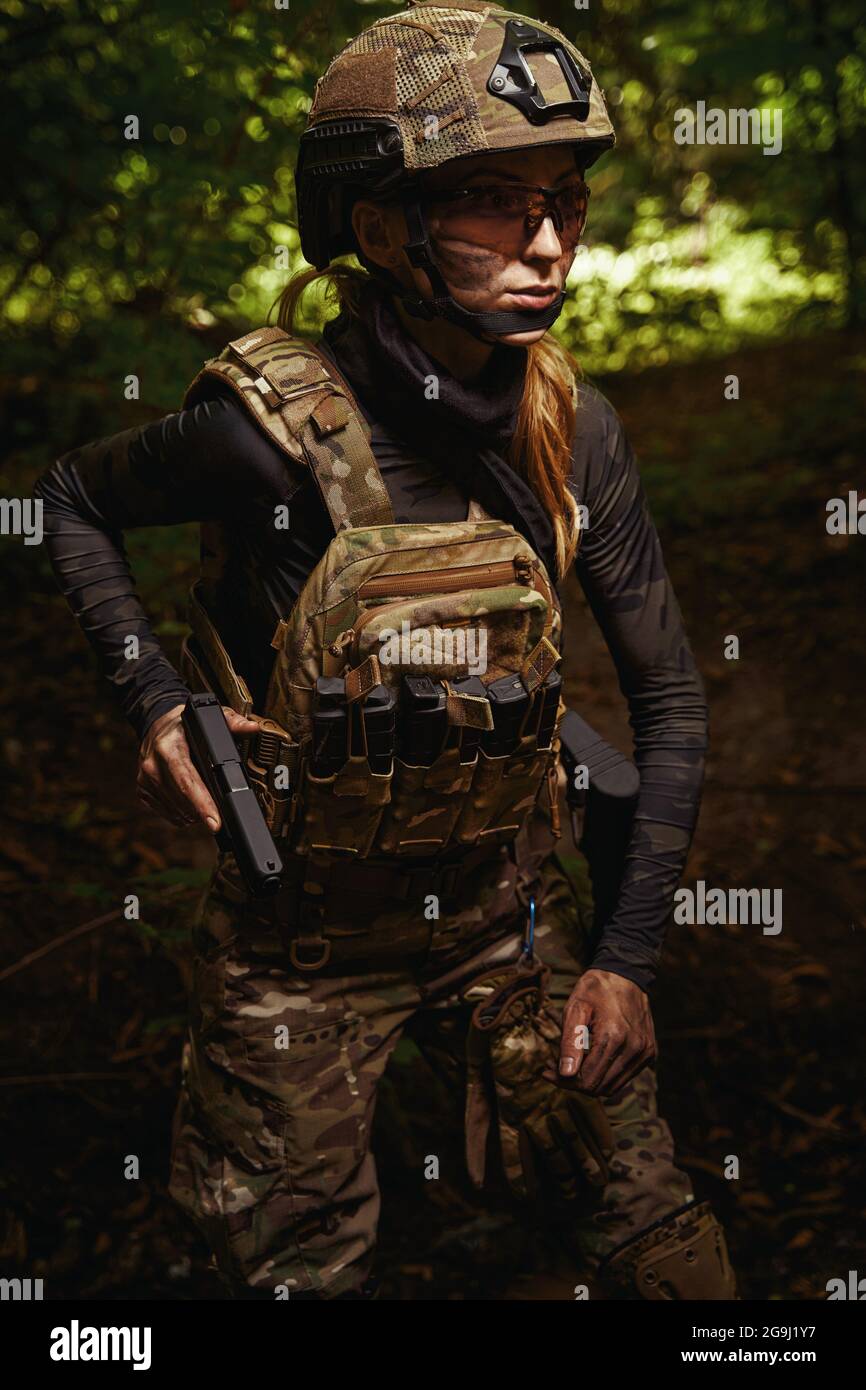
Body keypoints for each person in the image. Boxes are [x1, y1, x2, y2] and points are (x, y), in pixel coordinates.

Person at [36, 1, 737, 1300]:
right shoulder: (264, 437)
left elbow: (673, 701)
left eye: (563, 203)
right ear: (377, 228)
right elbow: (69, 500)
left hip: (509, 913)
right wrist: (158, 702)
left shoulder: (575, 427)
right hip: (296, 944)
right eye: (494, 204)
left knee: (669, 1258)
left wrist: (625, 961)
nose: (547, 244)